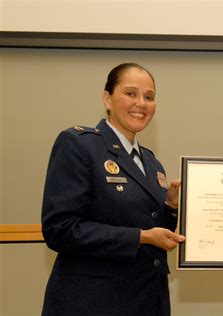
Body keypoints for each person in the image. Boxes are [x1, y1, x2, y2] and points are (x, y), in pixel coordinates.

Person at [41, 63, 185, 315]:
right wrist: (140, 237)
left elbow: (153, 229)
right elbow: (60, 229)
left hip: (147, 300)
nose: (141, 103)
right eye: (131, 93)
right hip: (93, 303)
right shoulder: (78, 145)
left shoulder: (152, 163)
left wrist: (170, 207)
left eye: (149, 97)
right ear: (107, 98)